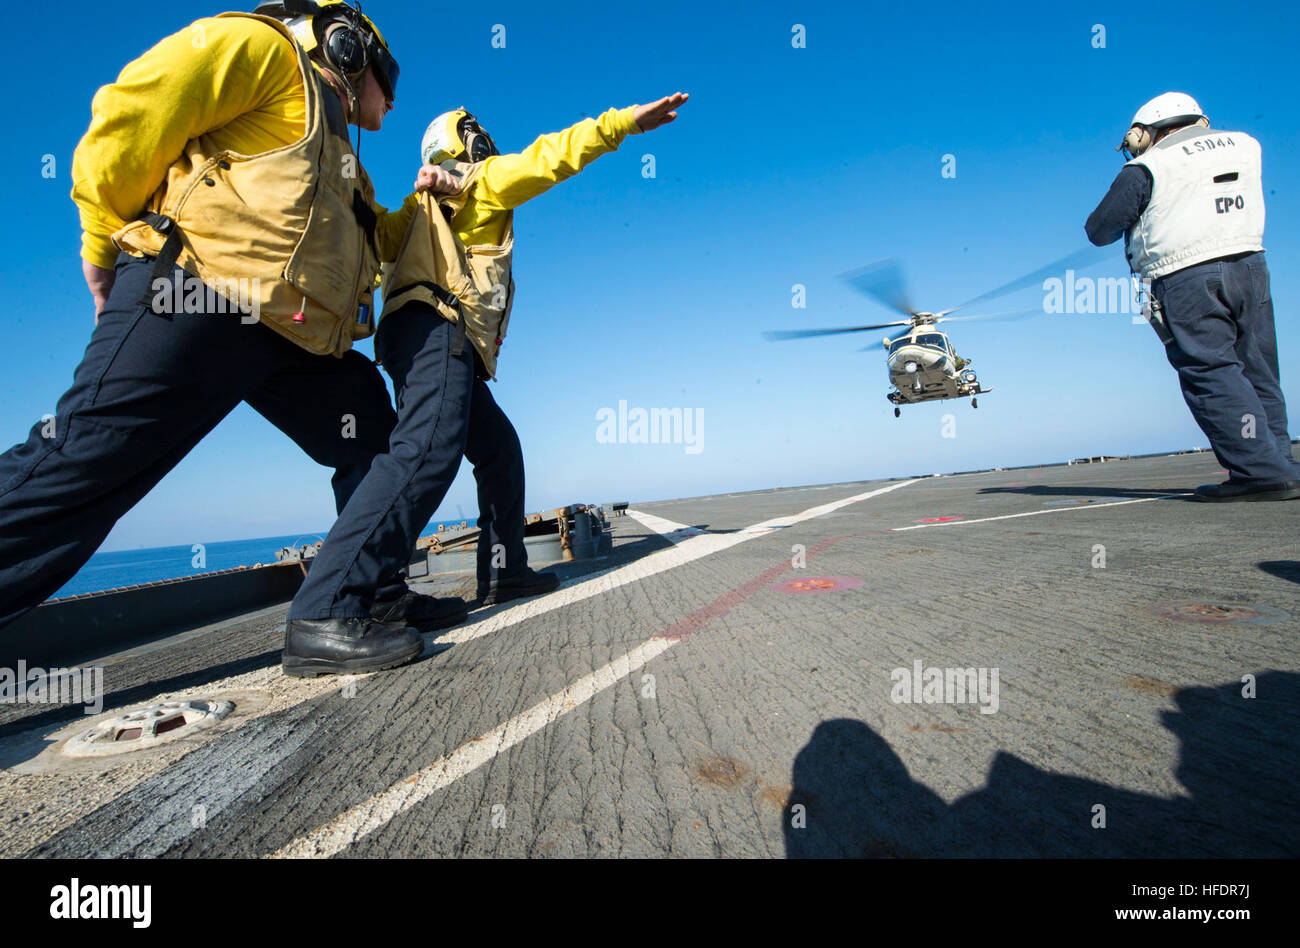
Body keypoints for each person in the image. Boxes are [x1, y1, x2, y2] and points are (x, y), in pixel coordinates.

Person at [0, 1, 457, 677]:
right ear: (349, 49)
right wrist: (100, 246)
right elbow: (134, 112)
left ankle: (359, 598)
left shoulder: (344, 168)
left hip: (289, 337)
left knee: (375, 437)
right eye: (387, 77)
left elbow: (378, 245)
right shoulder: (263, 49)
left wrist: (428, 204)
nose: (390, 100)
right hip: (197, 292)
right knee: (86, 463)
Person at [284, 94, 690, 662]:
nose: (487, 146)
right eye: (477, 138)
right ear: (467, 144)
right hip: (437, 331)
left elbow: (369, 246)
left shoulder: (416, 210)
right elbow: (549, 158)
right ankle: (342, 597)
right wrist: (621, 123)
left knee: (500, 452)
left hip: (419, 339)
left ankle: (504, 572)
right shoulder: (483, 182)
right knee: (426, 454)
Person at [1086, 92, 1299, 502]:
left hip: (1186, 276)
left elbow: (1100, 230)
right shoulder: (1246, 145)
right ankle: (1281, 463)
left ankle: (1260, 473)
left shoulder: (1148, 165)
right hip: (1251, 266)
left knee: (1209, 371)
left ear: (1142, 133)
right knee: (1258, 370)